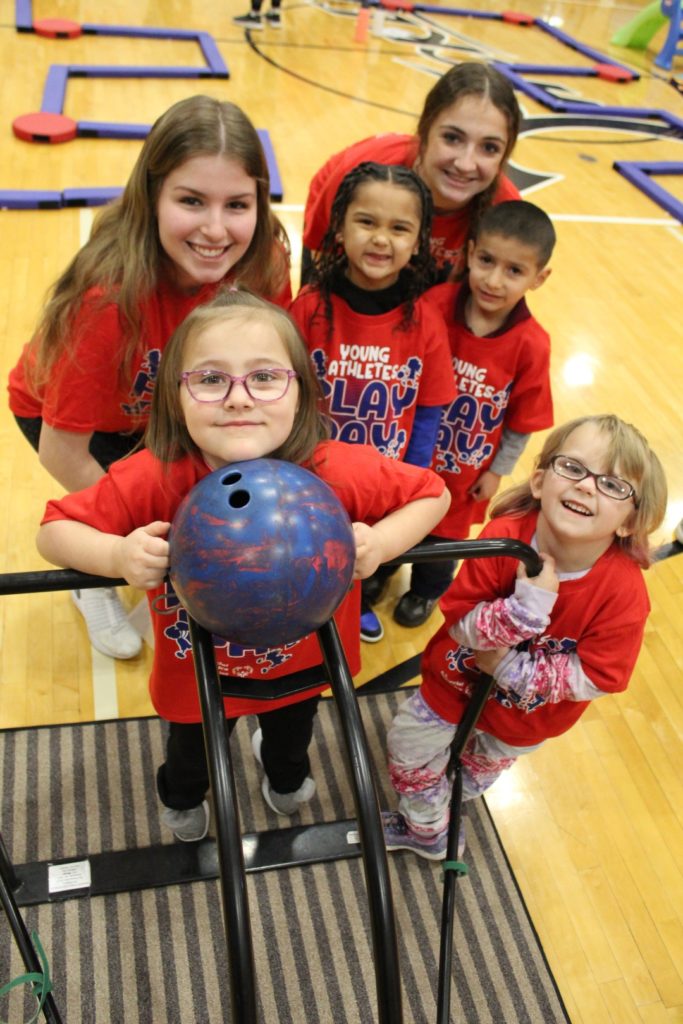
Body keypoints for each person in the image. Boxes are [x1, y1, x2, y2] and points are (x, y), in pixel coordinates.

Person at [37, 290, 450, 843]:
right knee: (193, 752)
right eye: (210, 380)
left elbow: (433, 494)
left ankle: (283, 775)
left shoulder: (336, 469)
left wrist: (381, 542)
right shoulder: (154, 476)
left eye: (264, 377)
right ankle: (182, 796)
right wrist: (116, 555)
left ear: (300, 392)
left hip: (302, 666)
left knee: (290, 738)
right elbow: (52, 531)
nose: (238, 399)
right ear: (176, 397)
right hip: (198, 677)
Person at [8, 95, 291, 661]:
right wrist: (136, 538)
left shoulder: (264, 264)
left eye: (237, 204)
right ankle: (92, 582)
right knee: (132, 521)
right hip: (84, 427)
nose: (215, 229)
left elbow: (271, 382)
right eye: (191, 201)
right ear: (153, 196)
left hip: (172, 405)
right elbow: (62, 453)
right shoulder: (107, 299)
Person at [382, 414, 667, 860]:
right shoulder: (503, 539)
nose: (587, 486)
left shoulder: (624, 593)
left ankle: (458, 788)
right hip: (455, 685)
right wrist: (525, 609)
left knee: (478, 765)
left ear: (631, 521)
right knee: (409, 747)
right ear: (539, 480)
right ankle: (425, 825)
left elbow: (600, 675)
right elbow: (461, 622)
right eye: (573, 468)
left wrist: (514, 669)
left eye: (613, 485)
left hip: (526, 718)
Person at [366, 200, 555, 629]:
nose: (493, 279)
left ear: (539, 278)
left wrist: (498, 471)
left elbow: (523, 419)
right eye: (486, 260)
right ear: (469, 253)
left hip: (466, 473)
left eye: (514, 271)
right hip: (409, 456)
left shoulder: (532, 344)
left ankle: (425, 592)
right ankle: (383, 571)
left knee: (443, 543)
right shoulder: (433, 304)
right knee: (392, 521)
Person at [290, 161, 456, 642]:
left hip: (384, 481)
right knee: (310, 551)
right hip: (314, 473)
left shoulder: (425, 321)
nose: (382, 239)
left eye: (399, 228)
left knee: (365, 553)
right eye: (367, 222)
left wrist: (412, 481)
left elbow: (428, 410)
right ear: (340, 227)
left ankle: (357, 605)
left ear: (419, 239)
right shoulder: (307, 308)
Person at [302, 61, 521, 285]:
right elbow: (320, 260)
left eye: (489, 148)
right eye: (452, 138)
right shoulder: (362, 177)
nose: (465, 164)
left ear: (504, 156)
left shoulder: (507, 211)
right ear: (424, 132)